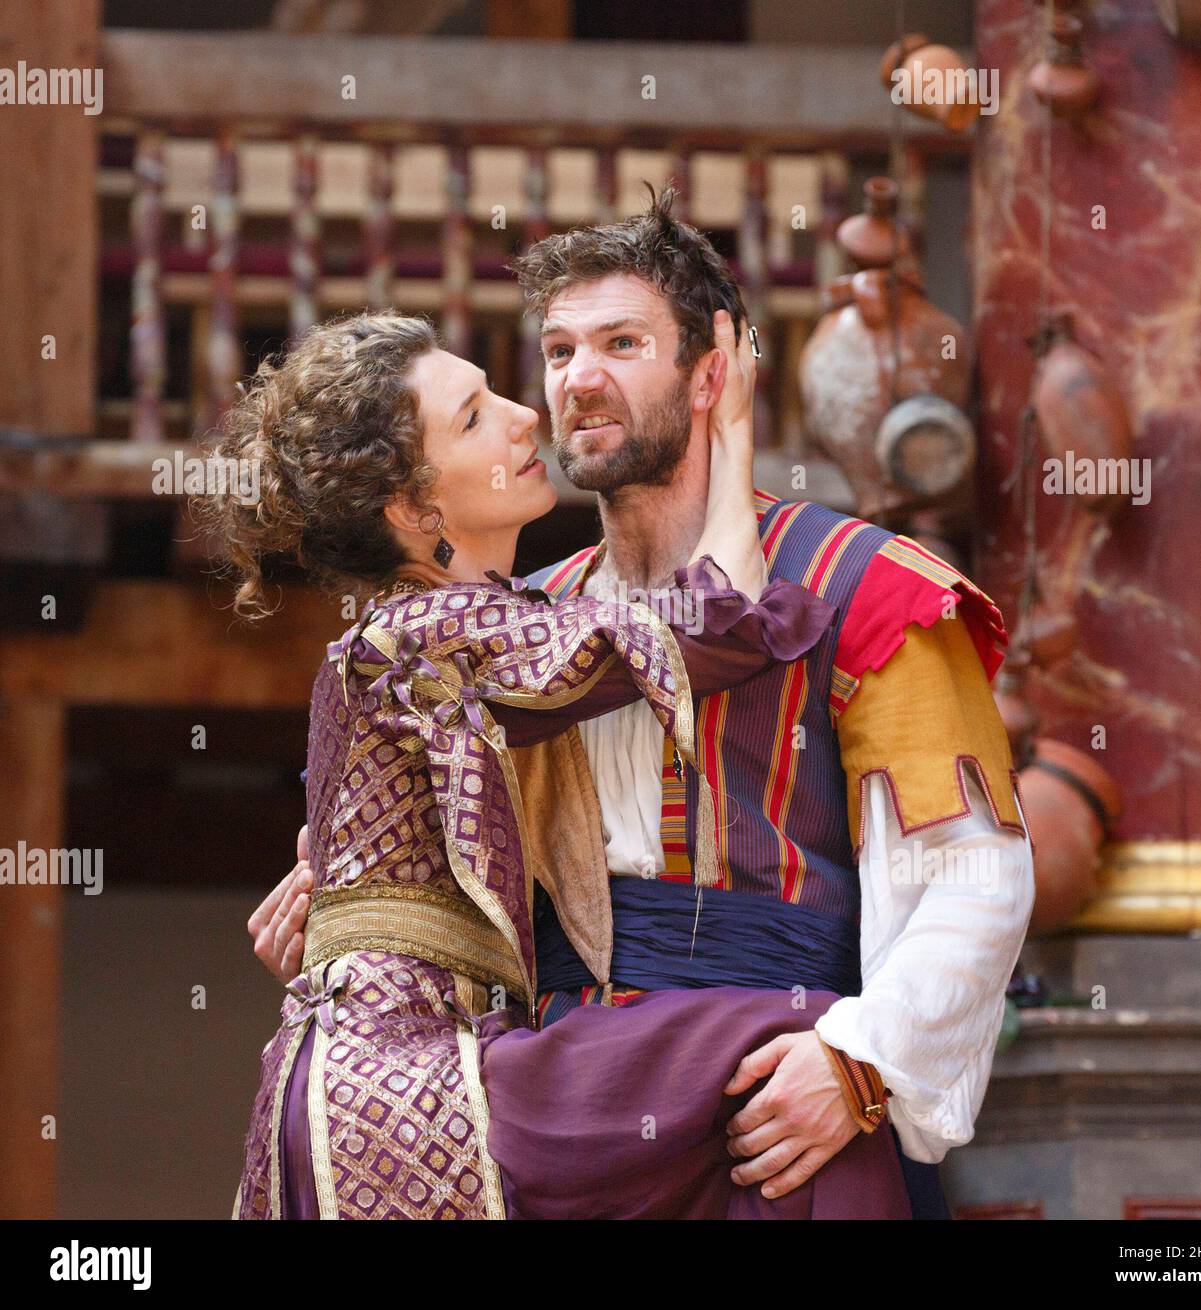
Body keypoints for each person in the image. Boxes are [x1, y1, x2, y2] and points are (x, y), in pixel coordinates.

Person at [252, 187, 1035, 1220]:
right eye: (560, 350)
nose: (576, 381)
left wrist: (859, 1058)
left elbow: (973, 879)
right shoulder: (521, 623)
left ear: (713, 371)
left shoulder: (873, 586)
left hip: (781, 1098)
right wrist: (345, 898)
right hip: (555, 1116)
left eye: (620, 342)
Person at [209, 307, 835, 1219]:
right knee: (797, 1031)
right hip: (403, 1080)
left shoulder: (405, 638)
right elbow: (716, 624)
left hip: (358, 1072)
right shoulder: (430, 630)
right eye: (473, 418)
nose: (525, 415)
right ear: (413, 509)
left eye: (500, 390)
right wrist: (732, 430)